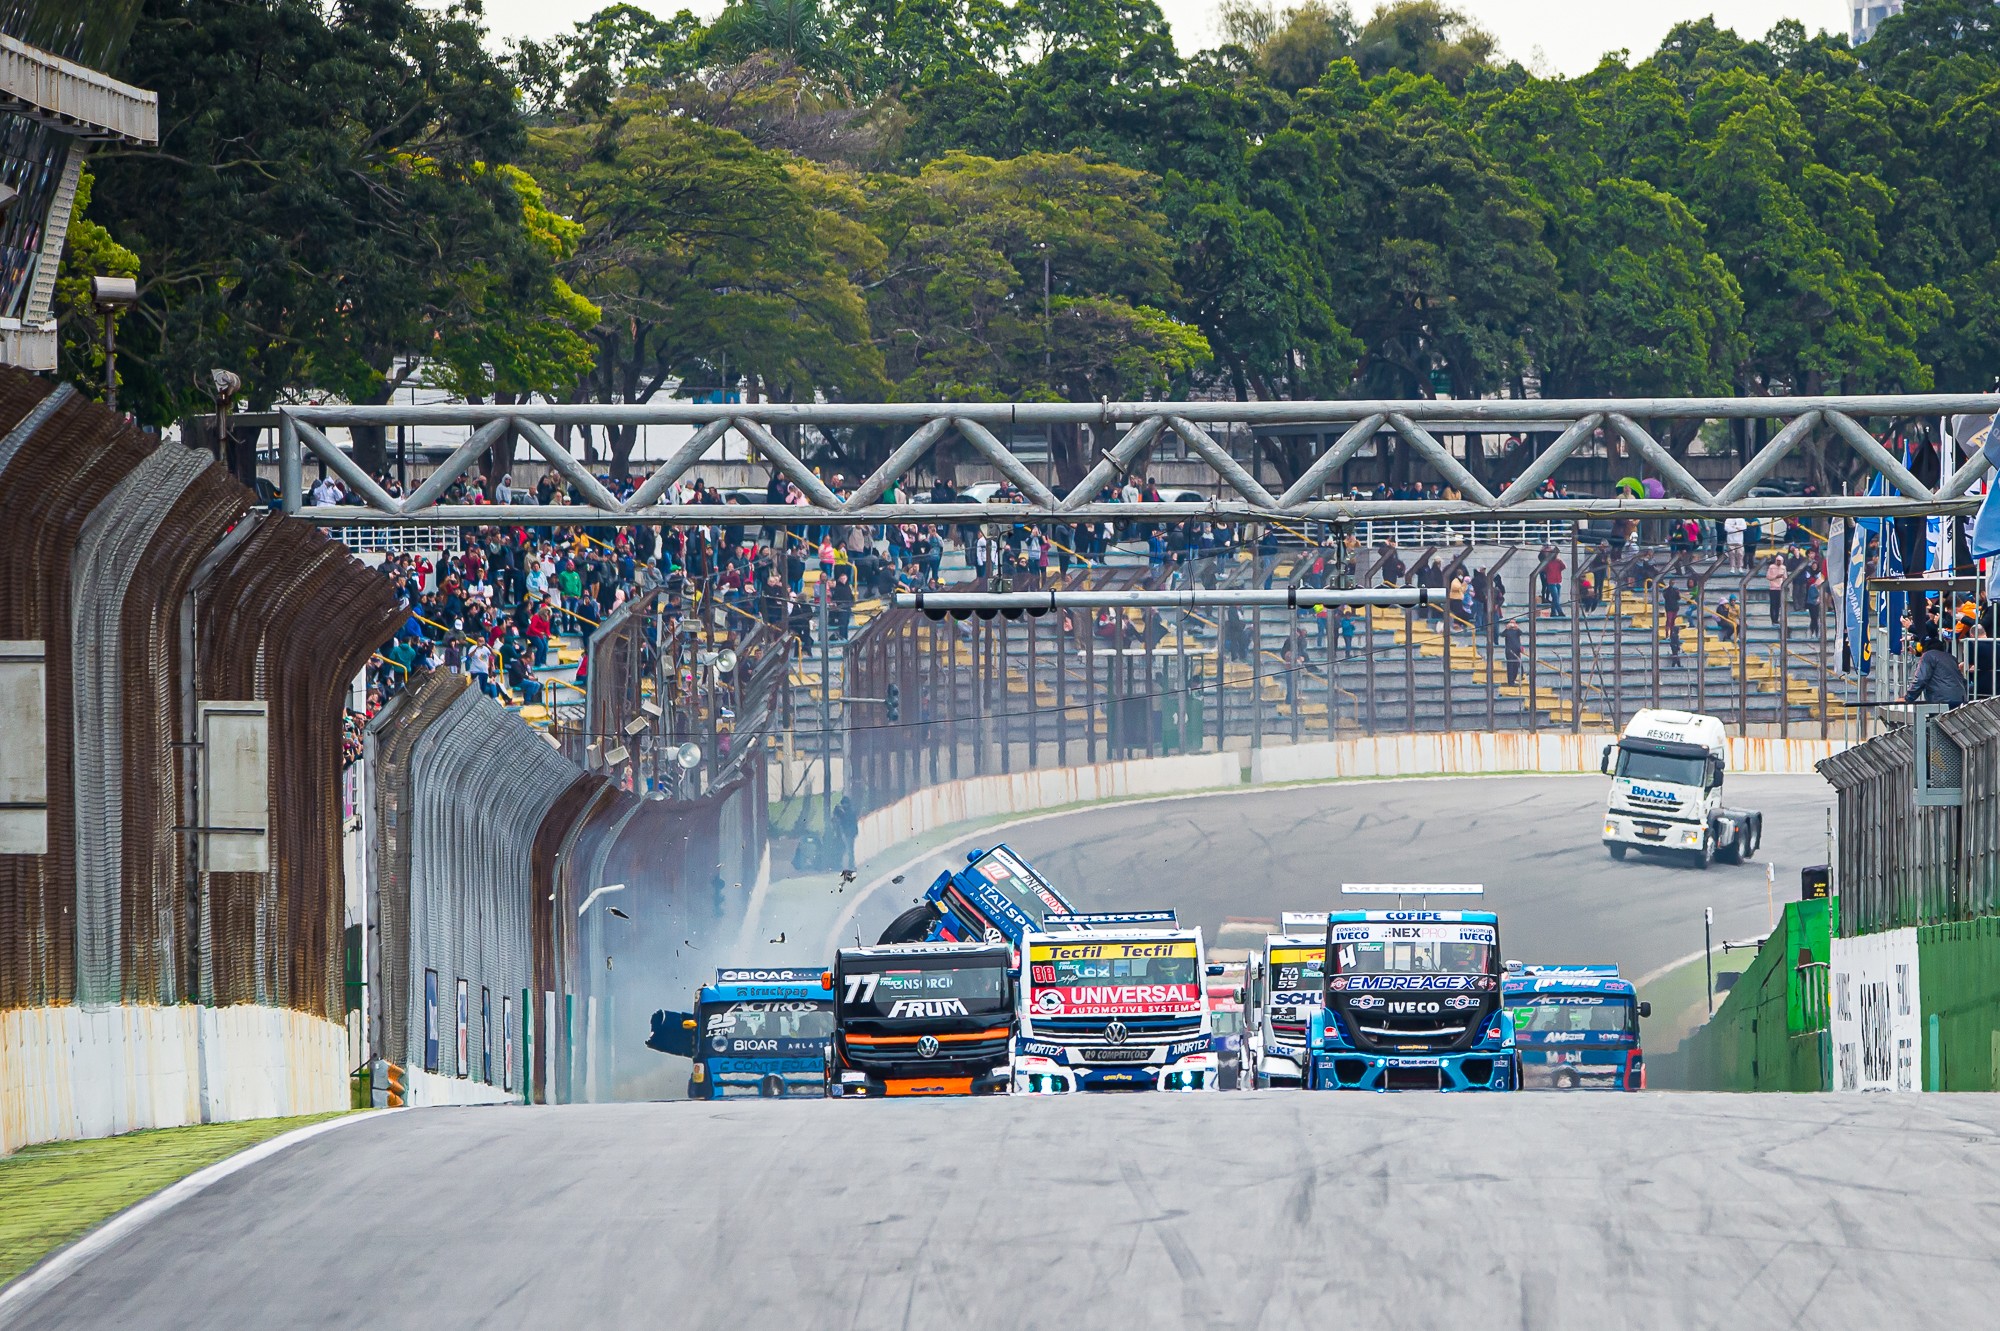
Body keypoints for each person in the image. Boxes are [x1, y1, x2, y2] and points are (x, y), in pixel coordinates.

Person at [1903, 630, 1968, 705]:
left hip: (1941, 700)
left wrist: (1908, 698)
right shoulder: (1951, 657)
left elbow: (1921, 679)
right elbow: (1962, 680)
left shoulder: (1927, 656)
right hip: (1960, 698)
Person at [1502, 618, 1524, 686]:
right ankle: (1510, 682)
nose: (1512, 624)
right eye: (1511, 623)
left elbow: (1521, 633)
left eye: (1514, 623)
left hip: (1517, 651)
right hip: (1509, 651)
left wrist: (1517, 628)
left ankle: (1514, 679)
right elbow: (1502, 634)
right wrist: (1506, 628)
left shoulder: (1517, 631)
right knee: (1510, 667)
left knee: (1516, 666)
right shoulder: (1507, 631)